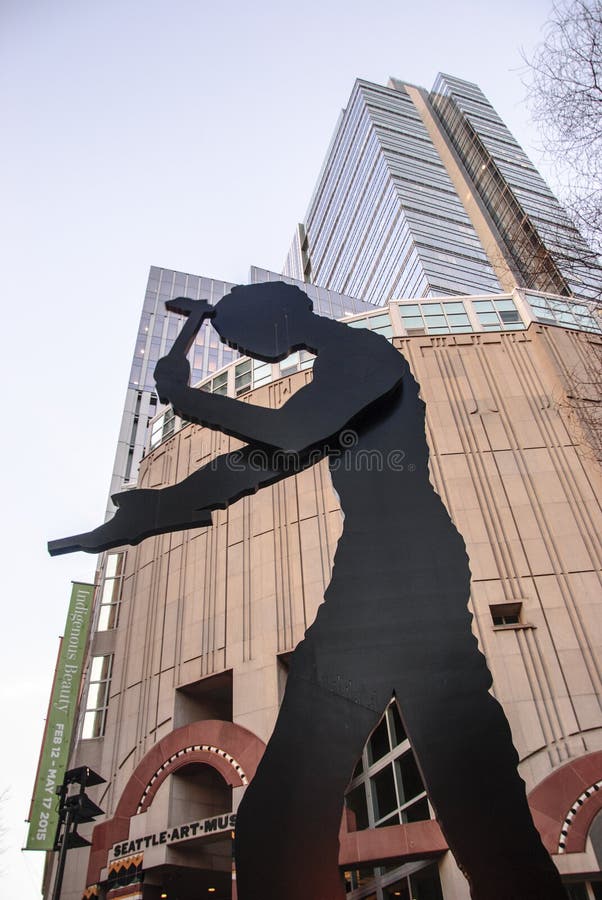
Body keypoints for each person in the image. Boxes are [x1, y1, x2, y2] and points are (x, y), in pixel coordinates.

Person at [49, 282, 565, 899]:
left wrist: (187, 400)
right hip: (382, 566)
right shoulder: (340, 374)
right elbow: (260, 462)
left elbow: (291, 435)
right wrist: (157, 507)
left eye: (237, 337)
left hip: (404, 565)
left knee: (444, 794)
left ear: (276, 320)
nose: (238, 347)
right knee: (312, 812)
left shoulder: (365, 357)